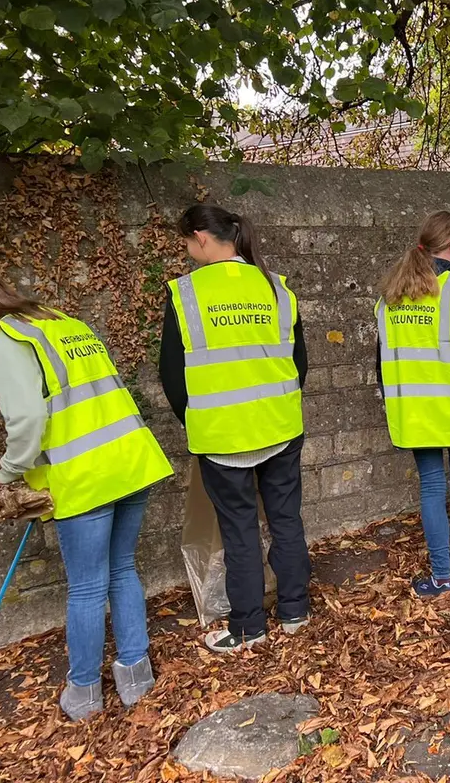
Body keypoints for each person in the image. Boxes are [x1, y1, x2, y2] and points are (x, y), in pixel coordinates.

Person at [0, 268, 173, 720]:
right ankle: (135, 675)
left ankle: (83, 691)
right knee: (121, 569)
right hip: (131, 460)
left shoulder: (6, 338)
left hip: (86, 476)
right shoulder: (60, 321)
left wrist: (6, 473)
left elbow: (26, 422)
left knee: (85, 587)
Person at [160, 204, 311, 652]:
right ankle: (294, 611)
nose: (187, 251)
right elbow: (298, 363)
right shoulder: (277, 288)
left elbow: (171, 373)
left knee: (239, 529)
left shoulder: (186, 294)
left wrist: (198, 416)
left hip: (222, 435)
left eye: (187, 242)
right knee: (285, 520)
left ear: (201, 237)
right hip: (281, 426)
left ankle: (248, 627)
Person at [375, 211, 450, 597]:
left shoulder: (390, 296)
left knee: (431, 486)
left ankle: (441, 577)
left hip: (412, 410)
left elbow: (381, 357)